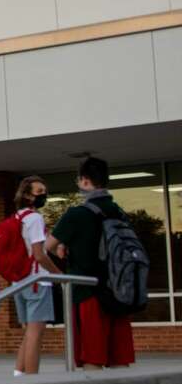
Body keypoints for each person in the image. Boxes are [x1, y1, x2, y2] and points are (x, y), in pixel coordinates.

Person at [46, 156, 136, 370]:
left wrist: (63, 250)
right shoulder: (119, 212)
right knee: (118, 358)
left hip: (88, 293)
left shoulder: (77, 214)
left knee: (92, 358)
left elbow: (47, 247)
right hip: (118, 290)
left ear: (85, 181)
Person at [11, 176, 62, 376]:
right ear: (26, 195)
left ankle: (19, 373)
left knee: (28, 333)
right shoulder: (34, 218)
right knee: (35, 334)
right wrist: (58, 274)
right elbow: (39, 255)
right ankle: (32, 380)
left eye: (44, 191)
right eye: (39, 191)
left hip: (20, 282)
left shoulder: (17, 217)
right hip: (37, 282)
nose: (43, 195)